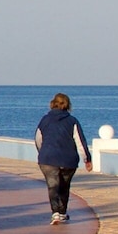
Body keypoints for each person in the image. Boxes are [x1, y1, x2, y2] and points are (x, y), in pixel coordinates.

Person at [34, 93, 91, 225]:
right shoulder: (72, 121)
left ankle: (55, 213)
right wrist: (87, 159)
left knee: (52, 186)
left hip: (48, 159)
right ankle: (62, 213)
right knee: (64, 186)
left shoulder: (45, 120)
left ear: (52, 104)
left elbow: (38, 139)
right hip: (68, 160)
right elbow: (80, 142)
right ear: (68, 105)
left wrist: (42, 152)